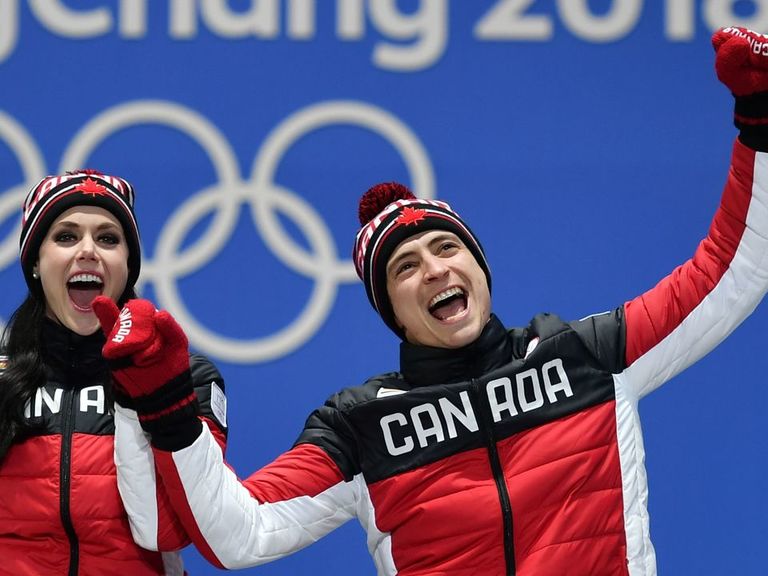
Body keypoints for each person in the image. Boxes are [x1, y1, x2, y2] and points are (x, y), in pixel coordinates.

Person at [96, 26, 768, 575]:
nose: (433, 270)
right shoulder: (359, 427)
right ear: (390, 308)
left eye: (448, 250)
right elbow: (240, 536)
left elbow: (734, 269)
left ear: (480, 267)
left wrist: (759, 126)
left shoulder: (585, 357)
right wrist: (168, 411)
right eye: (405, 268)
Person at [0, 169, 228, 575]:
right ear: (35, 262)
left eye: (108, 238)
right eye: (66, 236)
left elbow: (169, 532)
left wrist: (153, 394)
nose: (88, 250)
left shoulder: (186, 377)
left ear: (128, 265)